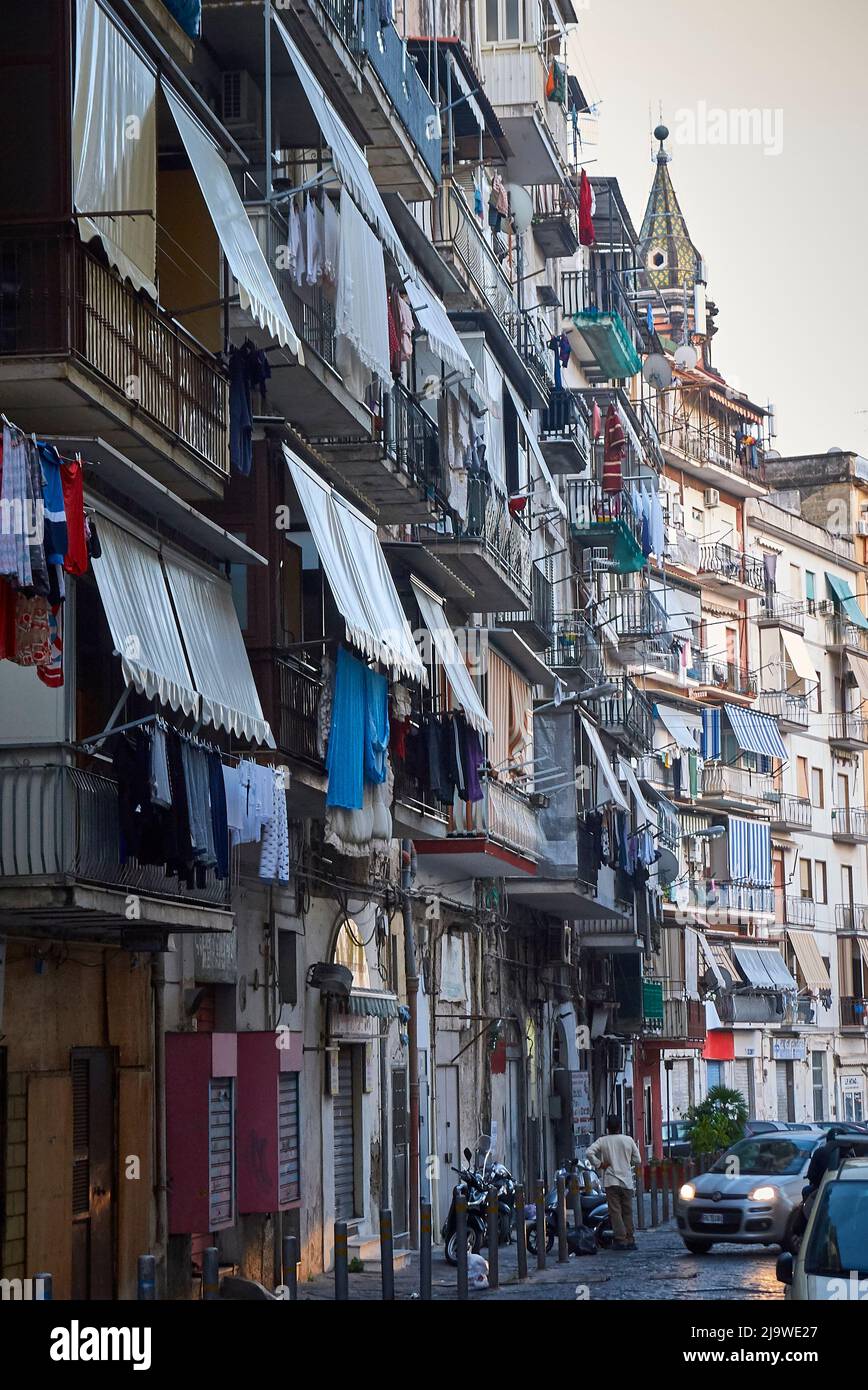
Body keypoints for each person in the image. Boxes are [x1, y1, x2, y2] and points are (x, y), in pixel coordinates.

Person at [586, 1115, 642, 1251]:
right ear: (619, 1127)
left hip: (611, 1181)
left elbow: (589, 1152)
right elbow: (638, 1160)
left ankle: (620, 1239)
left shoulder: (603, 1141)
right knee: (627, 1211)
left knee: (615, 1212)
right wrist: (626, 1161)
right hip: (627, 1181)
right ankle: (630, 1239)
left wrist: (599, 1164)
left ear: (607, 1127)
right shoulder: (628, 1140)